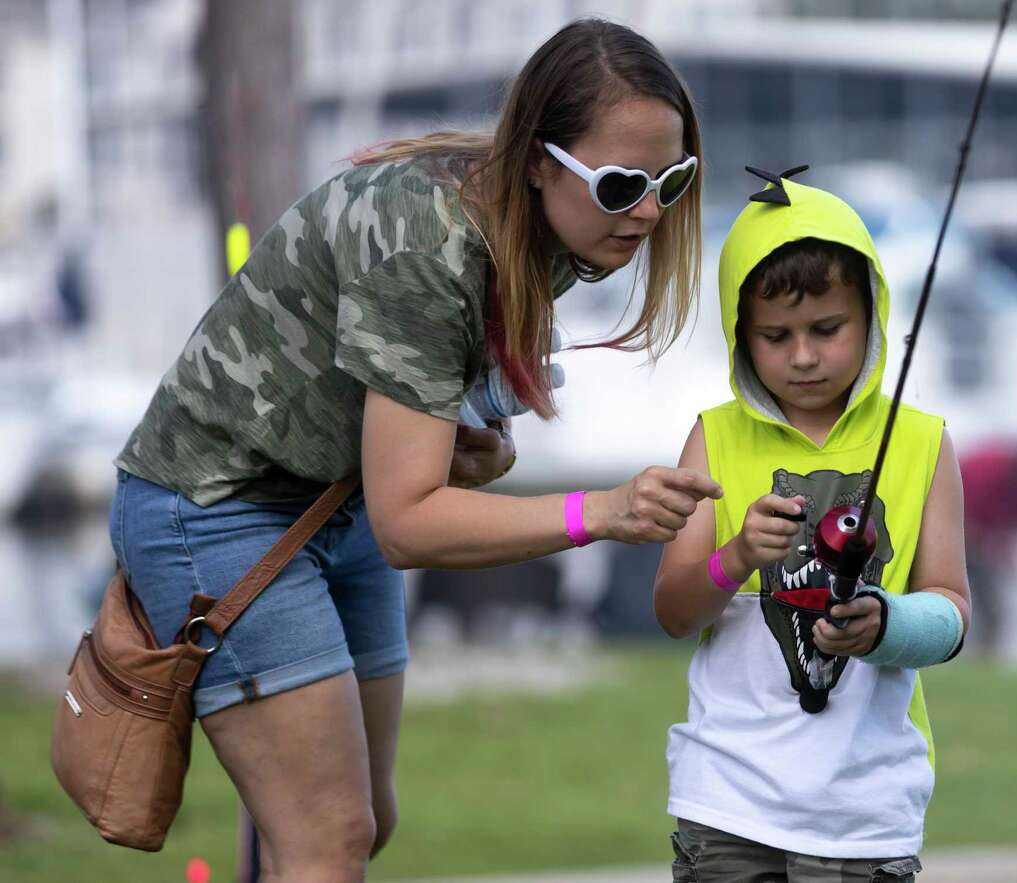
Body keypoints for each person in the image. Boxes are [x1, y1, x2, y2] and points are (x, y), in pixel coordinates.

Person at [109, 19, 719, 883]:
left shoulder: (544, 222)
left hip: (330, 500)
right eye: (623, 185)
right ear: (539, 161)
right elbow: (410, 524)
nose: (651, 211)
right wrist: (604, 511)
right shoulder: (428, 246)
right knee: (327, 837)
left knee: (360, 822)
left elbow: (408, 422)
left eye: (671, 179)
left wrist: (466, 441)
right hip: (216, 506)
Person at [653, 173, 970, 882]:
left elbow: (952, 612)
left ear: (872, 314)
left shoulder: (925, 441)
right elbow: (673, 612)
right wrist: (737, 555)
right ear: (740, 335)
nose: (802, 356)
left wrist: (887, 624)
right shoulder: (712, 437)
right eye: (775, 335)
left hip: (866, 813)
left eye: (828, 329)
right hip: (725, 801)